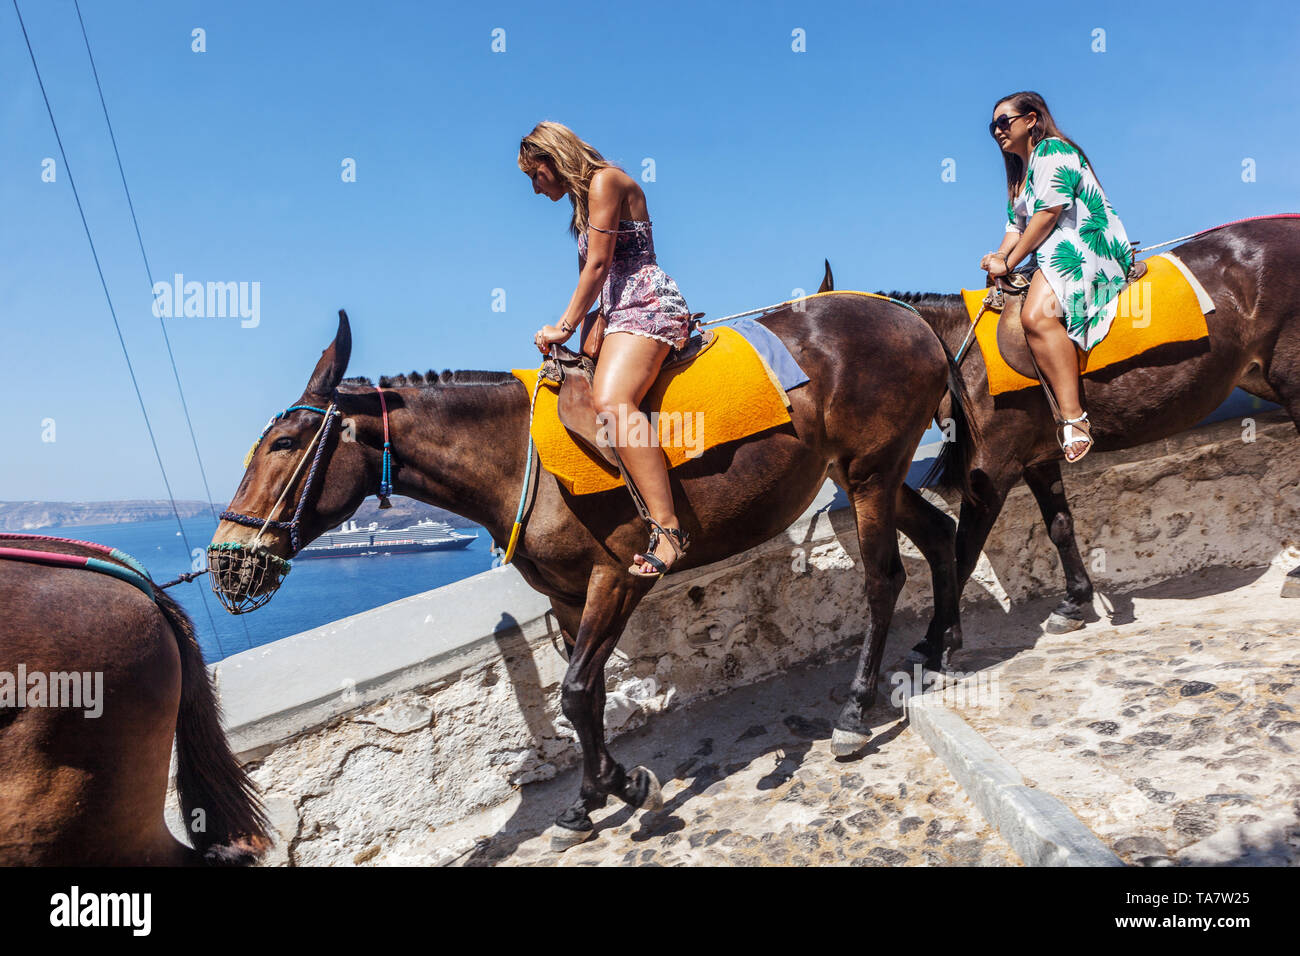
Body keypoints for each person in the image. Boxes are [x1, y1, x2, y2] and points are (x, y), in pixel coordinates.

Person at [519, 121, 693, 576]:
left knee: (614, 401)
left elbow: (598, 266)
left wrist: (561, 327)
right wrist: (581, 337)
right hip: (615, 311)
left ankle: (669, 530)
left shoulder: (606, 181)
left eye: (535, 175)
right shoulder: (582, 204)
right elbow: (591, 282)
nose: (535, 189)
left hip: (646, 302)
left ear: (553, 159)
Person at [982, 91, 1133, 462]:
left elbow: (1048, 214)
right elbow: (1015, 226)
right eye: (993, 126)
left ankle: (1074, 417)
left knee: (1035, 316)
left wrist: (1010, 262)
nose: (998, 130)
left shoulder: (1052, 151)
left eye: (1005, 121)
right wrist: (999, 257)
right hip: (1050, 250)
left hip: (1083, 246)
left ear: (1031, 119)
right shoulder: (1021, 174)